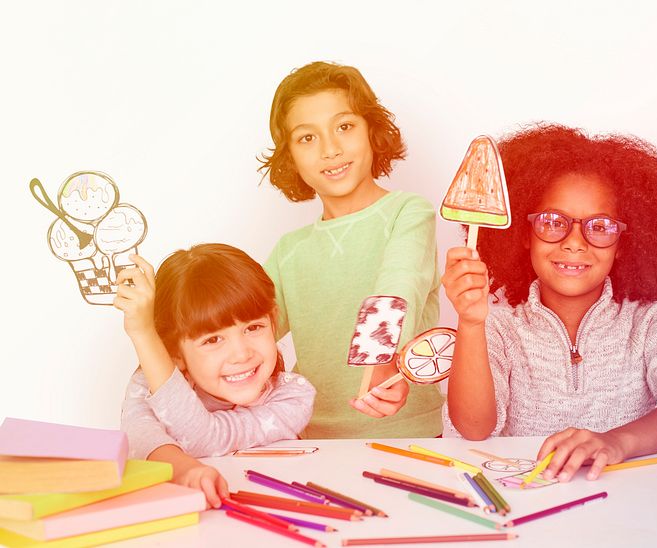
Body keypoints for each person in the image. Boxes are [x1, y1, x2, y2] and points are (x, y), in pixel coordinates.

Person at [442, 124, 657, 482]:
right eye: (553, 222)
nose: (575, 242)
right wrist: (469, 324)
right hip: (524, 507)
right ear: (524, 235)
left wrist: (616, 443)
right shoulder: (497, 325)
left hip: (632, 511)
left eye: (600, 226)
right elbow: (474, 429)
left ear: (623, 244)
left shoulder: (651, 322)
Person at [259, 61, 442, 438]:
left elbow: (398, 283)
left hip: (408, 434)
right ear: (290, 155)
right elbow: (247, 331)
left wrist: (383, 361)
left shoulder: (407, 212)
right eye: (307, 138)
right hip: (312, 438)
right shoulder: (288, 251)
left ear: (371, 131)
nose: (330, 149)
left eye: (344, 127)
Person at [116, 244, 316, 507]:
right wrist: (184, 469)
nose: (241, 354)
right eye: (212, 340)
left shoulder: (294, 397)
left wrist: (144, 333)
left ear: (273, 320)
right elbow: (140, 441)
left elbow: (203, 437)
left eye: (254, 327)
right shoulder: (149, 382)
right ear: (174, 352)